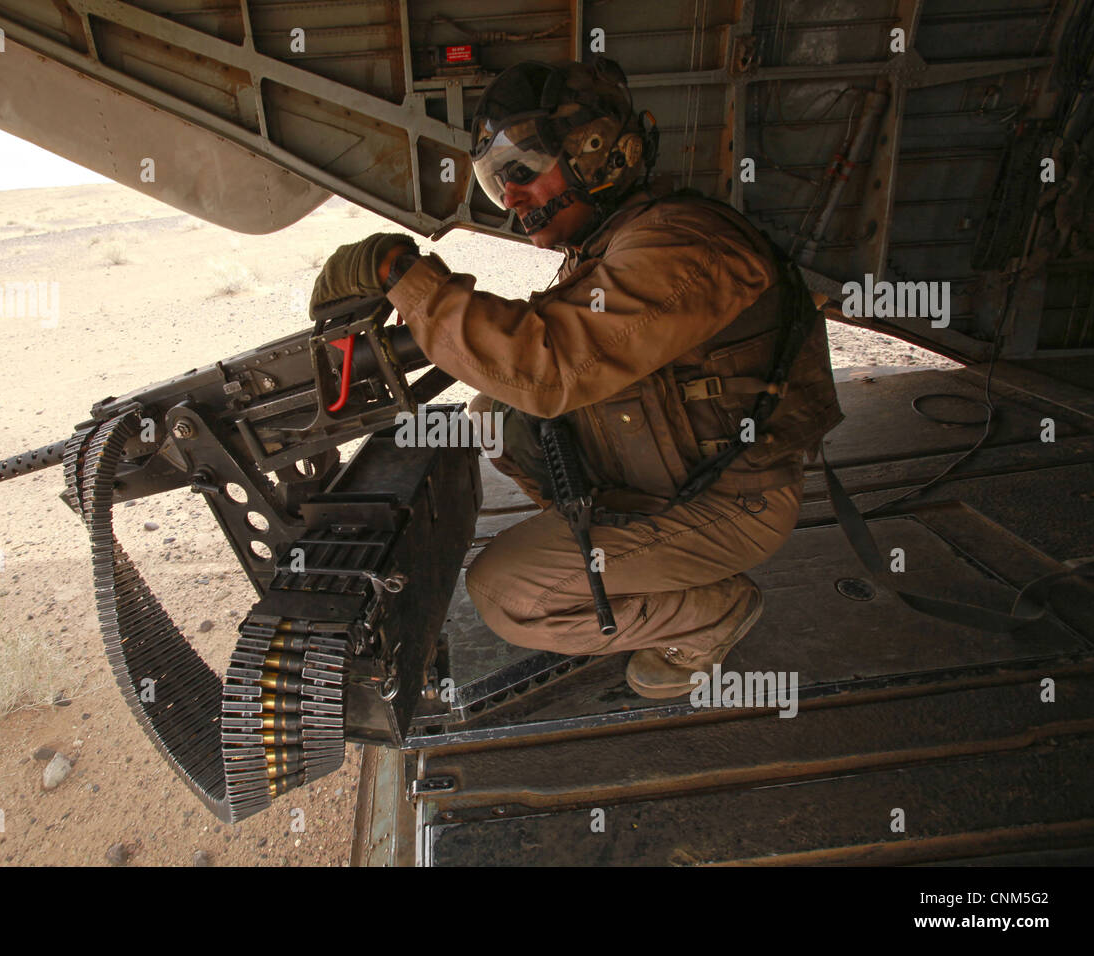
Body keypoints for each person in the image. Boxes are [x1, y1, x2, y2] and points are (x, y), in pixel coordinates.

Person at [310, 57, 842, 698]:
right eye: (496, 182)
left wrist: (405, 277)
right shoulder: (620, 243)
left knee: (507, 593)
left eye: (522, 172)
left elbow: (549, 366)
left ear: (597, 158)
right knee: (499, 417)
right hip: (670, 481)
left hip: (733, 503)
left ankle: (709, 613)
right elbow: (532, 356)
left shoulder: (683, 246)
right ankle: (624, 556)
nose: (510, 198)